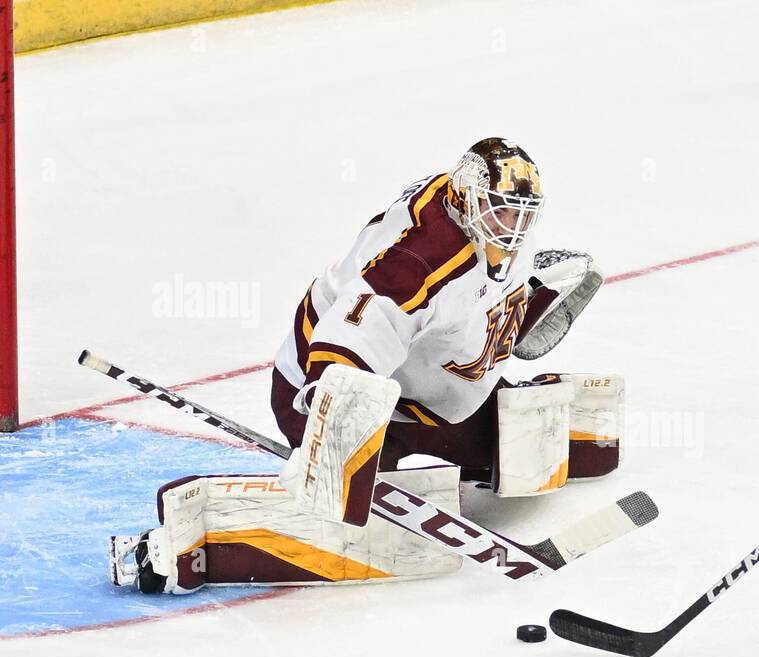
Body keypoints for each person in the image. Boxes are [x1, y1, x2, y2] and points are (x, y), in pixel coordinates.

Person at [114, 137, 622, 594]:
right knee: (348, 515)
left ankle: (495, 358)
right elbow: (349, 337)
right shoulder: (419, 260)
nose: (511, 228)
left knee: (519, 431)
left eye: (521, 214)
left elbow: (474, 292)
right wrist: (332, 433)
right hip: (322, 386)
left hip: (427, 392)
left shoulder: (489, 224)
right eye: (500, 212)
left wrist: (518, 308)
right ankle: (188, 545)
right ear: (468, 199)